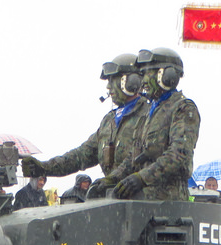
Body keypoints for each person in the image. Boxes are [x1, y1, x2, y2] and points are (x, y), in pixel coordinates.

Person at [24, 54, 149, 190]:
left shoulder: (149, 116)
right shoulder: (109, 122)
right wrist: (44, 167)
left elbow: (139, 158)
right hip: (114, 197)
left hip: (142, 197)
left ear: (132, 82)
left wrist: (112, 180)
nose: (108, 86)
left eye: (113, 80)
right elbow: (81, 156)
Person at [107, 48, 201, 201]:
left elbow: (179, 154)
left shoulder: (183, 108)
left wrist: (142, 178)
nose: (143, 81)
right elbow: (134, 155)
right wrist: (112, 178)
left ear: (166, 76)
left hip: (170, 203)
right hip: (143, 202)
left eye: (147, 73)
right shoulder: (150, 112)